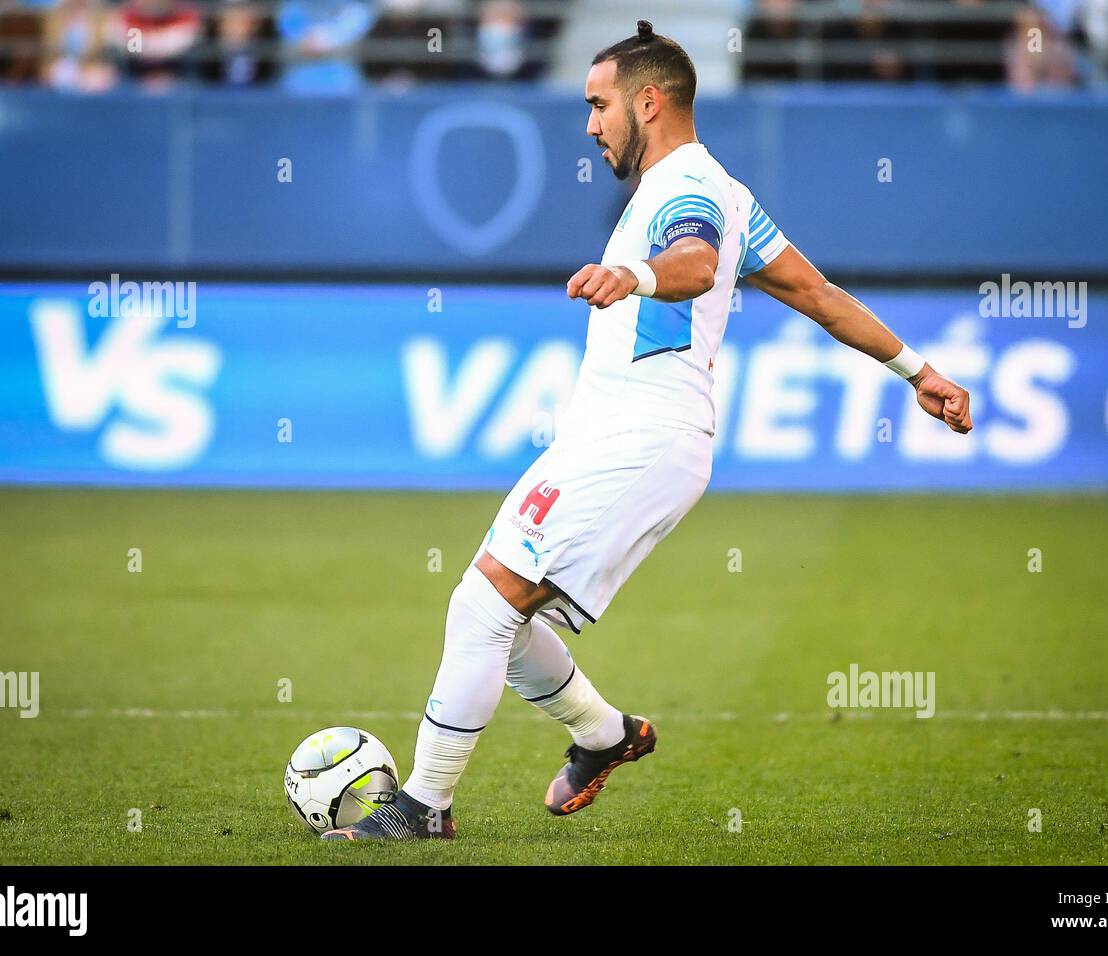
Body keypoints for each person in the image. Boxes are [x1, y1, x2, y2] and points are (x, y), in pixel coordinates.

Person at [323, 20, 972, 842]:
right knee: (503, 620)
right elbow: (816, 293)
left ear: (649, 100)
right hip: (610, 435)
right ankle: (604, 737)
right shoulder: (725, 192)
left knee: (480, 608)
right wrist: (920, 371)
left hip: (641, 436)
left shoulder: (689, 193)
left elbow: (698, 265)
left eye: (598, 105)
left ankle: (421, 809)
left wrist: (631, 273)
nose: (589, 125)